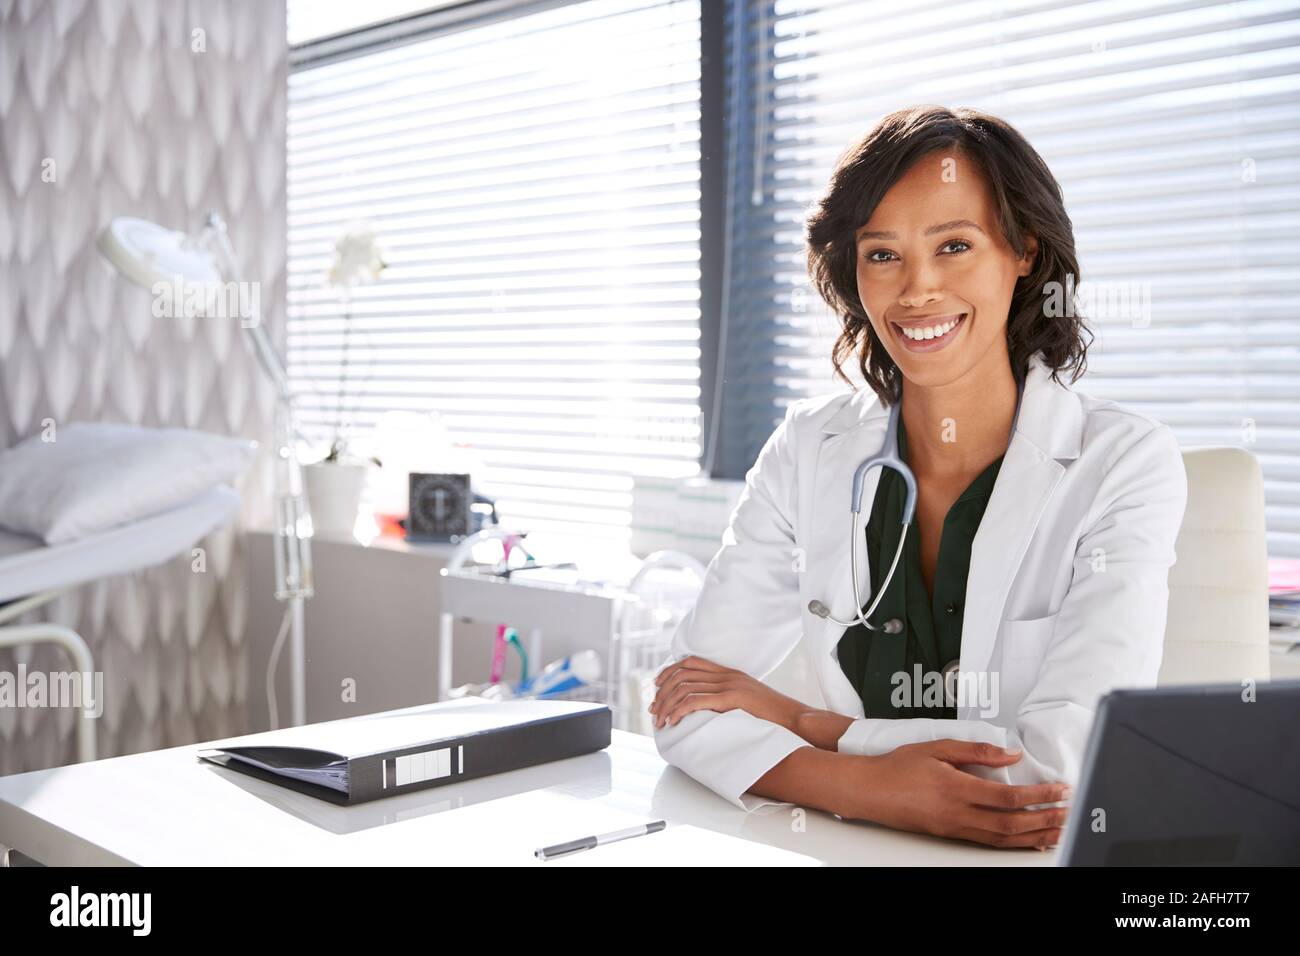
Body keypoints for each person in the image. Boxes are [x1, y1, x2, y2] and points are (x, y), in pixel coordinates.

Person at [649, 105, 1188, 850]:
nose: (916, 290)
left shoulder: (1122, 463)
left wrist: (809, 727)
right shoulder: (808, 448)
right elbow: (689, 705)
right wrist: (865, 785)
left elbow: (1053, 780)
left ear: (1025, 251)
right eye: (882, 254)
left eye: (955, 246)